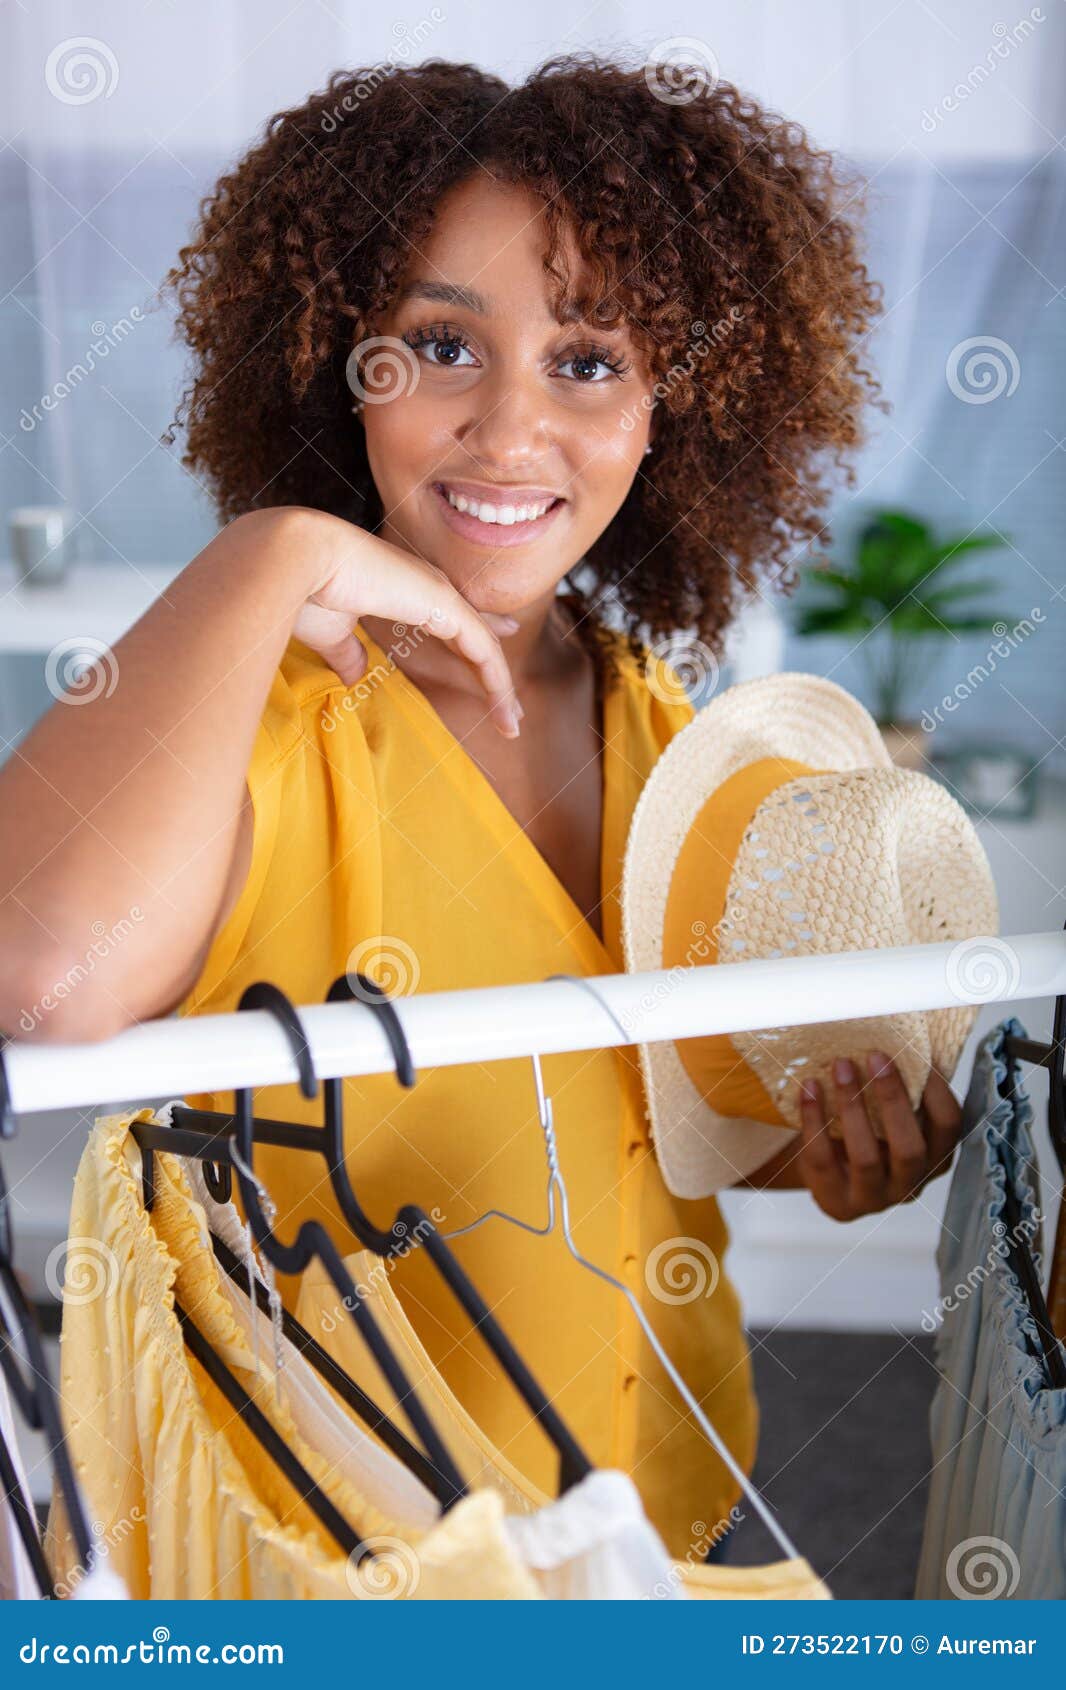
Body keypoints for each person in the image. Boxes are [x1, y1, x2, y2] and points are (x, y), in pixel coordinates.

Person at [0, 55, 962, 1557]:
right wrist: (268, 554)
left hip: (655, 1525)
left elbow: (678, 1108)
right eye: (442, 345)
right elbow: (39, 981)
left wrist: (832, 1147)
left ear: (672, 406)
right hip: (327, 1567)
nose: (511, 431)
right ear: (340, 368)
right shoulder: (260, 726)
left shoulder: (667, 729)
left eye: (587, 360)